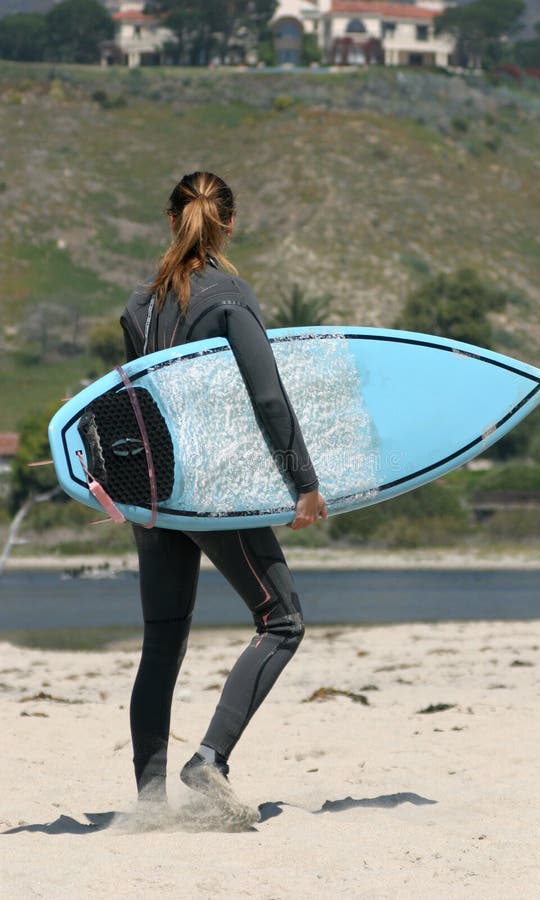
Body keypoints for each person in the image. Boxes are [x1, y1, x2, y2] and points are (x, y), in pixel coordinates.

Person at [120, 171, 327, 806]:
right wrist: (304, 484)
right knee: (282, 621)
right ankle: (210, 760)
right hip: (214, 490)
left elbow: (135, 412)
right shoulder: (229, 295)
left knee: (162, 641)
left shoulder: (137, 307)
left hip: (154, 496)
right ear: (229, 223)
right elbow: (269, 396)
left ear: (171, 217)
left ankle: (149, 806)